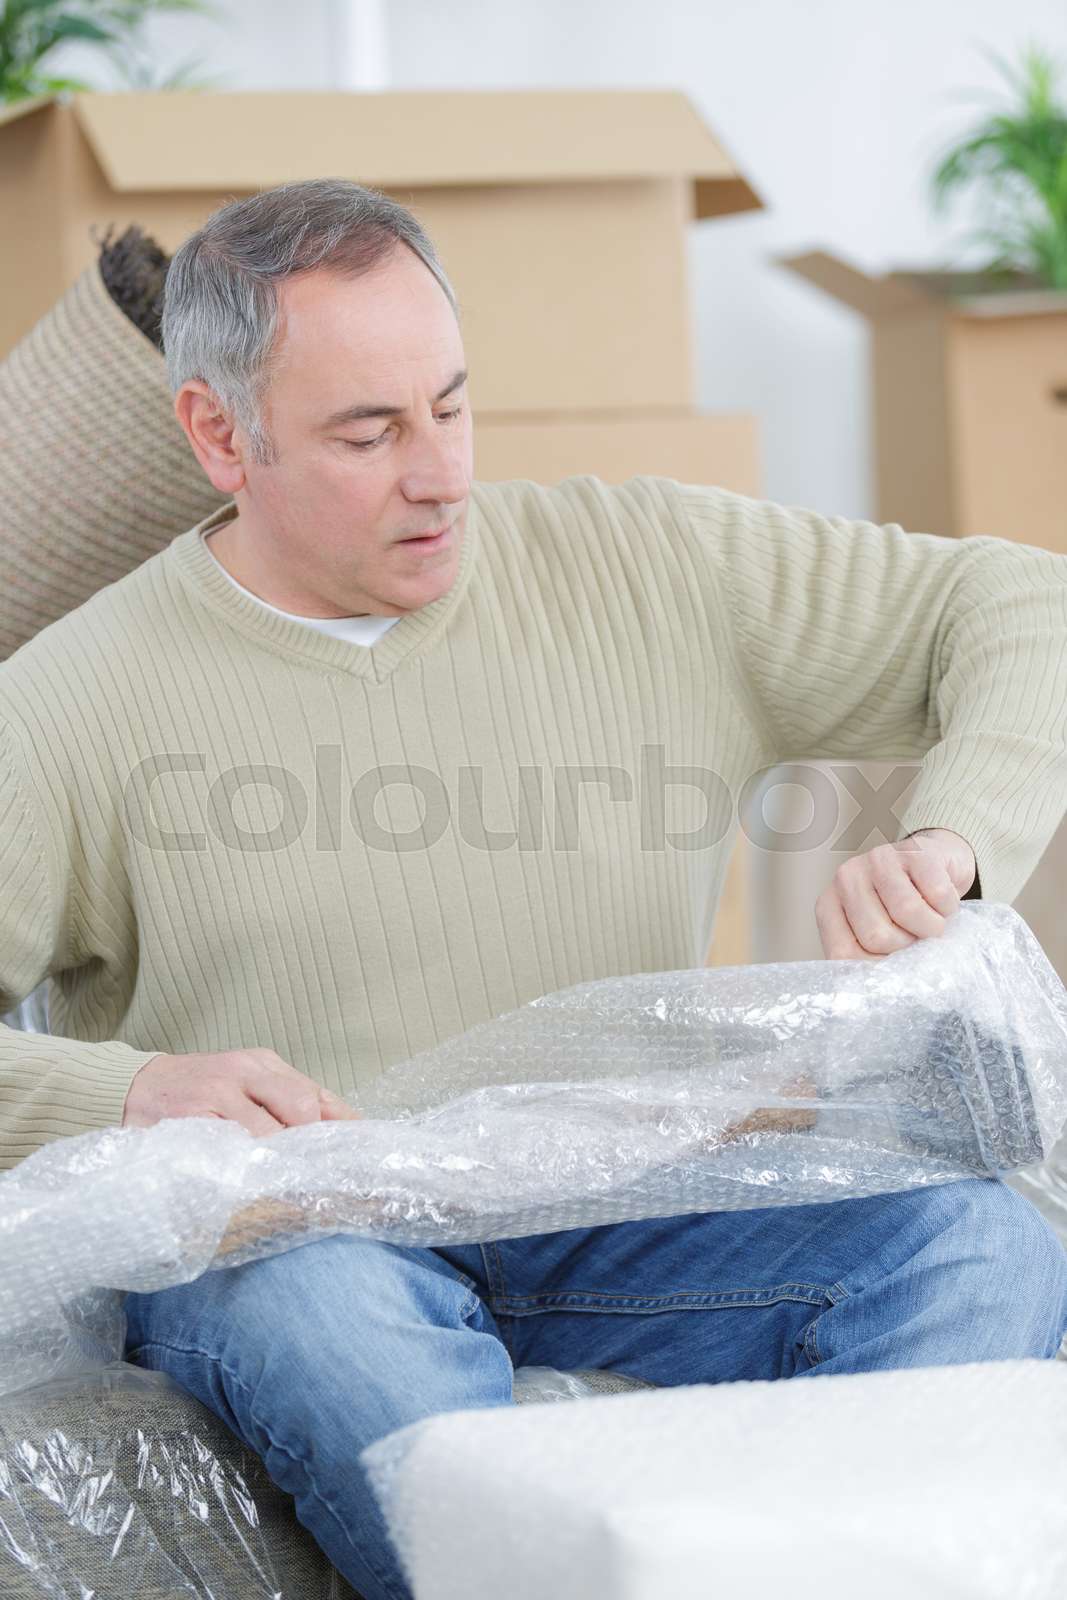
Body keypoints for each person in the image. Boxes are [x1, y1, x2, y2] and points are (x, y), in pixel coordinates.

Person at [1, 179, 1064, 1600]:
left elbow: (1023, 604)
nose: (438, 473)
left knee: (978, 1245)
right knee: (339, 1339)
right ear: (217, 434)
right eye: (368, 433)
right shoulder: (68, 707)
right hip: (297, 1229)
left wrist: (959, 839)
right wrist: (122, 1096)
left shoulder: (646, 566)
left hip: (638, 1190)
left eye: (449, 404)